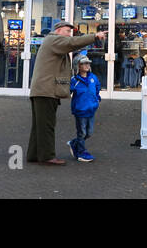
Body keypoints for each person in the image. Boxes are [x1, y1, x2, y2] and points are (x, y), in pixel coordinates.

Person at [27, 21, 104, 165]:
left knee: (39, 125)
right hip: (46, 91)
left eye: (70, 32)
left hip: (43, 90)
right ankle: (47, 156)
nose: (70, 35)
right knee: (47, 125)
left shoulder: (52, 41)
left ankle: (34, 154)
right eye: (67, 31)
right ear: (58, 30)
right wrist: (94, 36)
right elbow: (73, 43)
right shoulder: (54, 40)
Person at [68, 55, 102, 162]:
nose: (87, 65)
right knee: (82, 132)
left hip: (91, 109)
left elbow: (97, 87)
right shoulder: (74, 80)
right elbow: (68, 91)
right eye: (84, 63)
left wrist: (97, 98)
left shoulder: (93, 77)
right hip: (80, 110)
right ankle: (82, 153)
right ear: (78, 65)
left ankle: (75, 143)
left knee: (89, 133)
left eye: (88, 63)